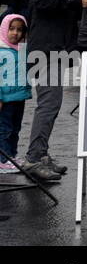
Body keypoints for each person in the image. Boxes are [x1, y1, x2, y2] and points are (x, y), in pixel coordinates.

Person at [22, 0, 87, 183]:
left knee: (52, 103)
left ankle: (41, 154)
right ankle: (33, 157)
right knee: (49, 104)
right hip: (46, 48)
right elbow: (43, 0)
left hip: (52, 46)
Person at [0, 14, 32, 172]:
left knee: (15, 128)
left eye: (20, 30)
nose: (15, 33)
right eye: (11, 29)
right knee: (4, 129)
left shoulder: (22, 50)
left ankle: (11, 155)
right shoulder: (1, 51)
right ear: (4, 29)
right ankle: (2, 159)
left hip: (19, 97)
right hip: (5, 99)